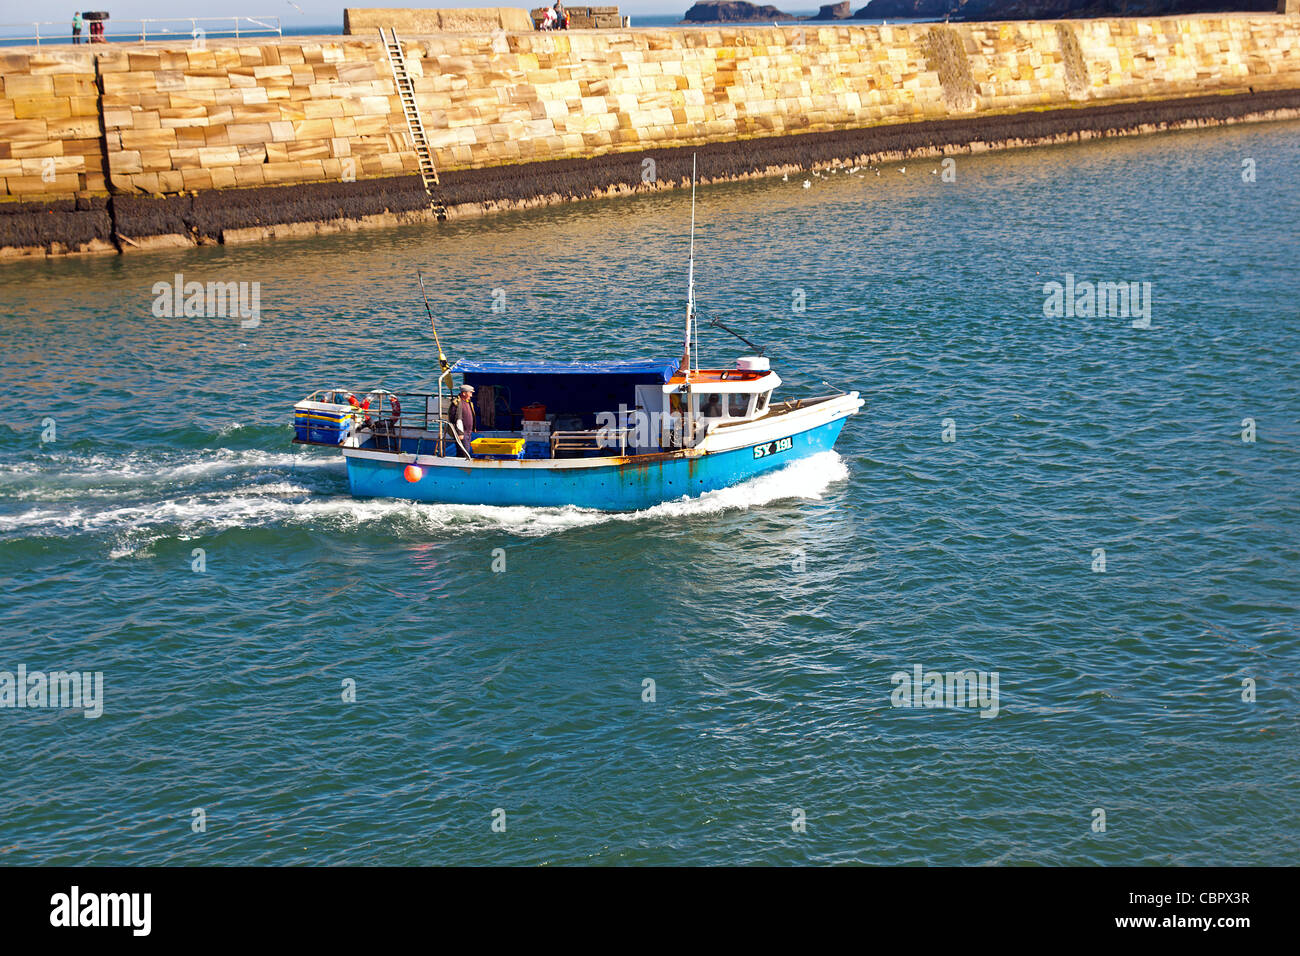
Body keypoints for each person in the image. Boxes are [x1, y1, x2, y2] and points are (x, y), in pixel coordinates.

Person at [448, 384, 476, 454]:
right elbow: (457, 419)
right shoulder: (458, 403)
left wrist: (473, 428)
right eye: (470, 393)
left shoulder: (468, 402)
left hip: (468, 433)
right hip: (463, 433)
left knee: (466, 451)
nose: (471, 395)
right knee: (464, 452)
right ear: (464, 393)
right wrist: (460, 433)